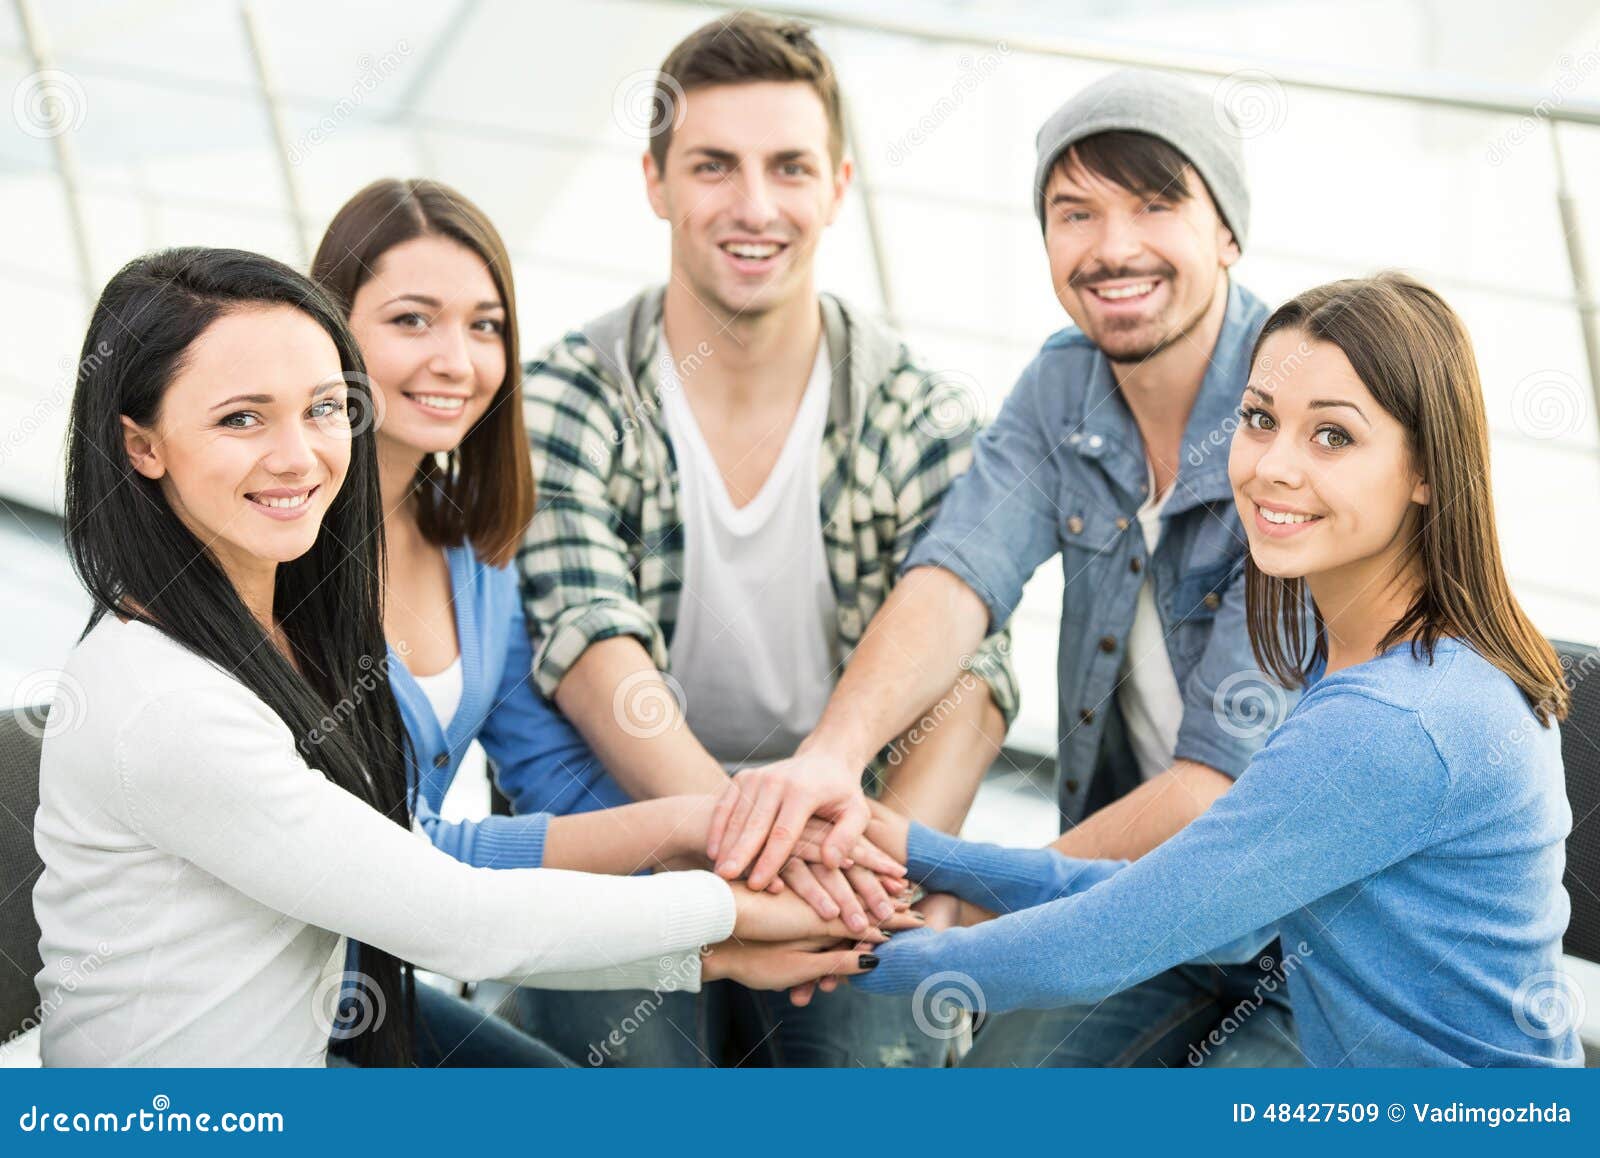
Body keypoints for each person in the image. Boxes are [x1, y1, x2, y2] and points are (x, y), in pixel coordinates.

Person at [32, 247, 891, 1067]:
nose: (299, 455)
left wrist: (716, 944)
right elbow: (454, 919)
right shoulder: (169, 702)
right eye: (241, 418)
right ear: (140, 445)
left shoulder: (288, 631)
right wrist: (730, 918)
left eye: (325, 408)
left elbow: (415, 870)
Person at [714, 68, 1305, 1066]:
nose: (1112, 247)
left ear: (1227, 233)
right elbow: (957, 574)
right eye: (1074, 212)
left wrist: (988, 885)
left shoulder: (1291, 420)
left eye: (1156, 204)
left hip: (1308, 948)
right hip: (1133, 915)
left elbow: (1214, 791)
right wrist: (829, 758)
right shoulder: (1065, 382)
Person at [851, 273, 1581, 1068]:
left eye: (1333, 436)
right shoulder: (1404, 661)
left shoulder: (1392, 721)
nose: (1272, 467)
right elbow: (1207, 914)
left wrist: (853, 961)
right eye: (1260, 420)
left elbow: (1103, 945)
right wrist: (918, 848)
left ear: (1426, 471)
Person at [309, 177, 910, 1065]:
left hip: (381, 977)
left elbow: (549, 768)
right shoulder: (289, 545)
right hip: (283, 994)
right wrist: (714, 889)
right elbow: (408, 857)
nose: (456, 360)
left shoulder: (469, 549)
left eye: (485, 326)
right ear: (326, 331)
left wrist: (750, 868)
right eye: (411, 320)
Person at [516, 13, 1015, 1066]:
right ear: (654, 181)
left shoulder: (916, 410)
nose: (753, 207)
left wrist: (869, 871)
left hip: (853, 845)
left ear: (836, 187)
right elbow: (588, 647)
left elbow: (972, 677)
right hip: (625, 849)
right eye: (712, 166)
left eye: (788, 168)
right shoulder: (568, 396)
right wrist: (755, 859)